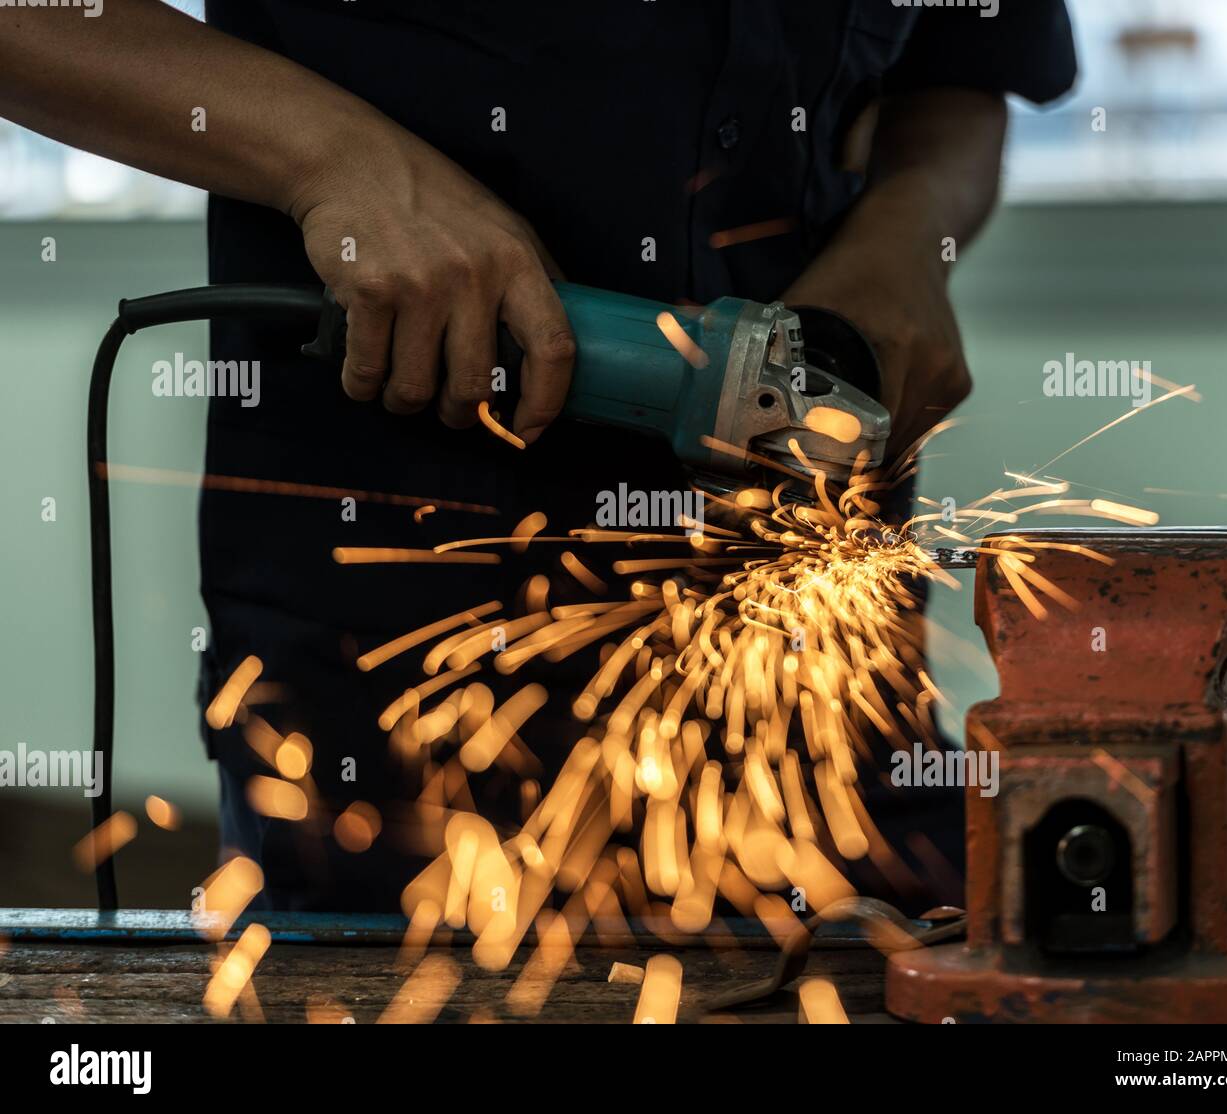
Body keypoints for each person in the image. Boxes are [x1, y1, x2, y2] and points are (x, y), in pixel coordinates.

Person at [1, 0, 1077, 912]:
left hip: (810, 582)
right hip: (412, 613)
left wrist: (910, 229)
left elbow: (960, 76)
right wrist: (339, 160)